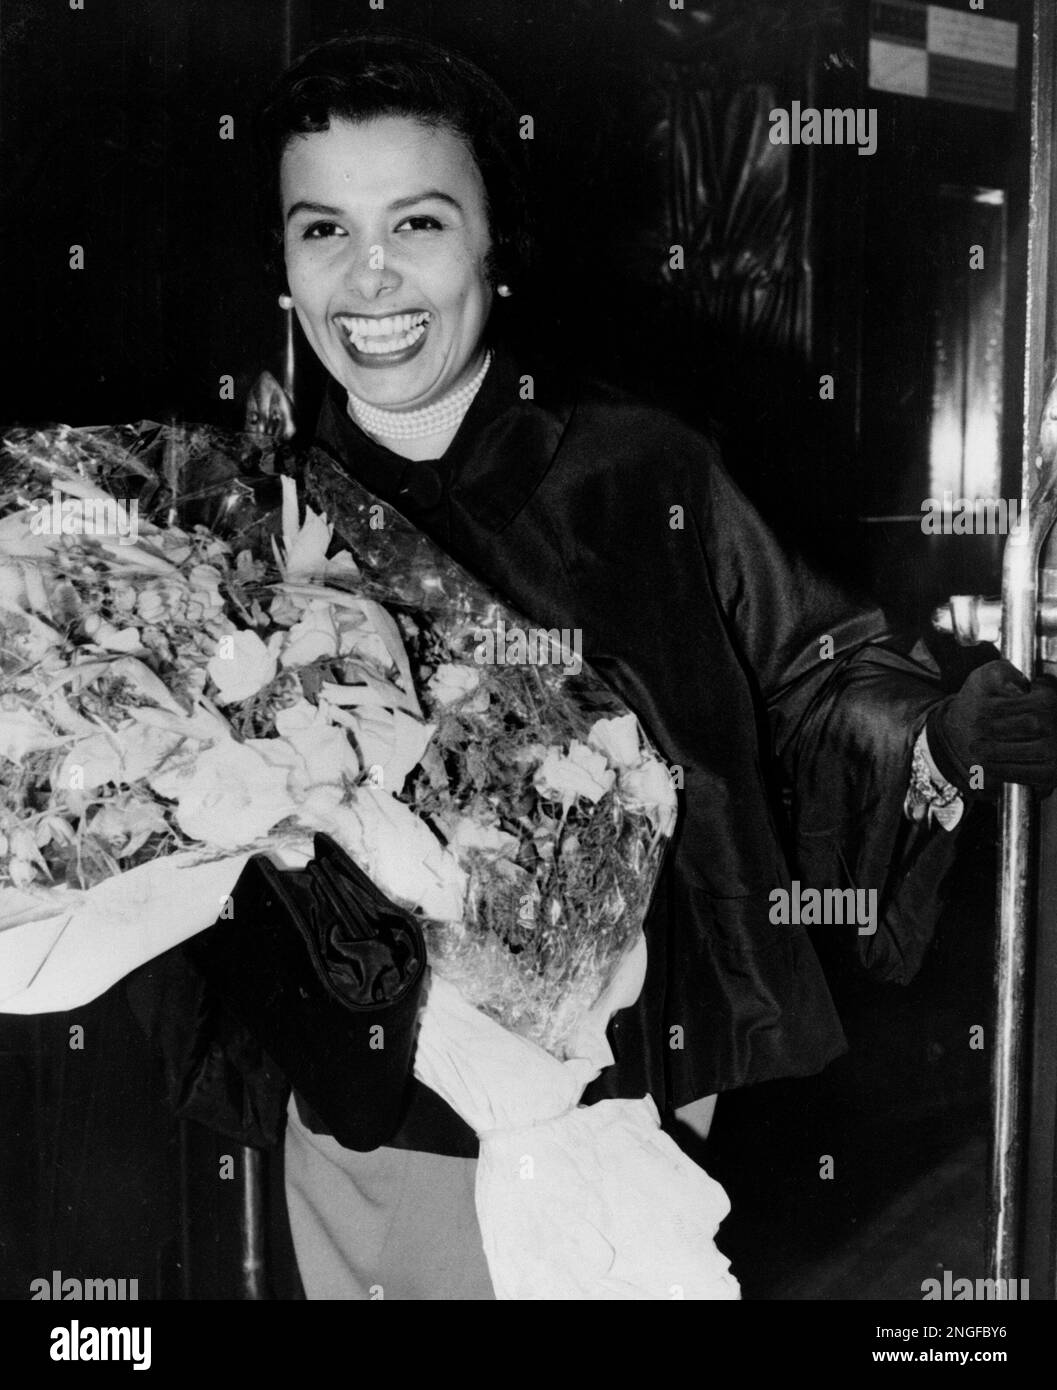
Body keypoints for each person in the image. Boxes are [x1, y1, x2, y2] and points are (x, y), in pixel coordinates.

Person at [230, 31, 1057, 1300]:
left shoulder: (641, 470)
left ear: (494, 244)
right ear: (284, 262)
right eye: (324, 230)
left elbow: (811, 679)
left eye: (420, 222)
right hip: (364, 1131)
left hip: (618, 1117)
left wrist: (940, 739)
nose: (372, 277)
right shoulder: (251, 522)